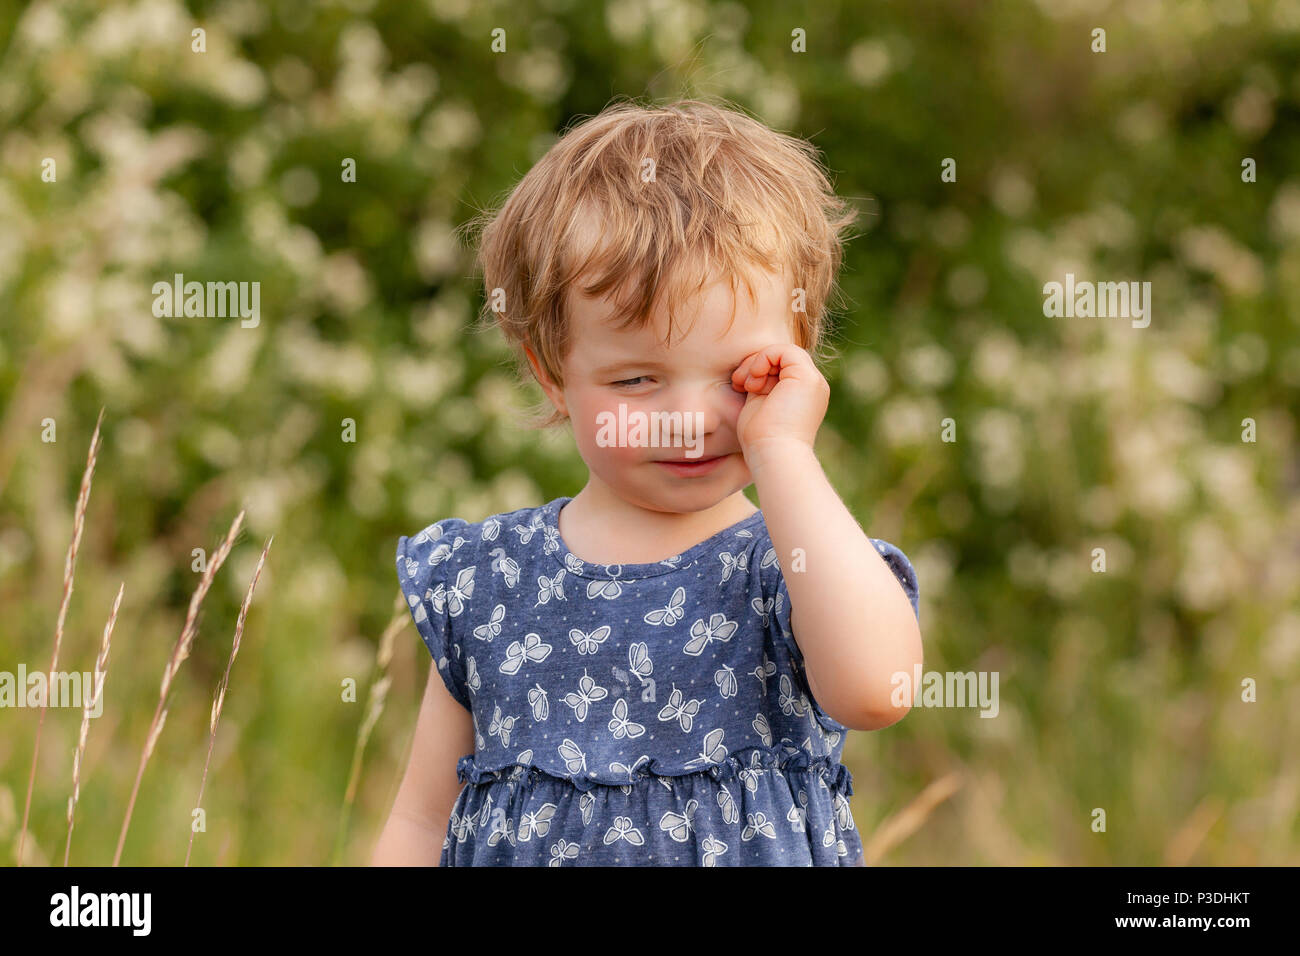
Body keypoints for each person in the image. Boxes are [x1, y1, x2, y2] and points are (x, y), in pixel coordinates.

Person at [373, 98, 922, 866]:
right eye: (636, 379)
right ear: (553, 372)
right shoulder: (489, 582)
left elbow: (878, 688)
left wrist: (785, 454)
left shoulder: (787, 567)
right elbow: (420, 823)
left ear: (799, 354)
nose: (689, 419)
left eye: (738, 375)